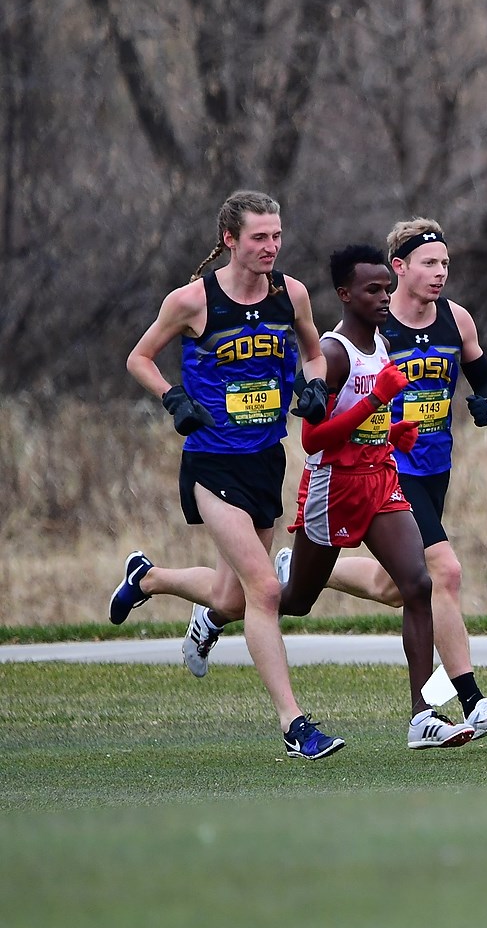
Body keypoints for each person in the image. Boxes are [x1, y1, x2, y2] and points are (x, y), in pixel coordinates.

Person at [267, 219, 487, 742]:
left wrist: (395, 430)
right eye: (374, 288)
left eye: (385, 288)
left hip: (389, 473)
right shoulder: (336, 352)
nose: (383, 297)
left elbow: (476, 380)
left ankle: (420, 717)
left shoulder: (398, 340)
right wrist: (380, 401)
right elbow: (314, 441)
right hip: (333, 487)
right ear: (345, 294)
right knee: (292, 601)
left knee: (416, 584)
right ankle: (221, 601)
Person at [116, 190, 345, 760]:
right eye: (259, 237)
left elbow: (314, 354)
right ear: (230, 240)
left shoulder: (291, 294)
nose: (271, 247)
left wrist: (313, 386)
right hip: (212, 461)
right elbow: (138, 358)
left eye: (277, 236)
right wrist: (174, 399)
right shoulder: (193, 301)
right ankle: (296, 726)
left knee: (231, 596)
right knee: (266, 589)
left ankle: (148, 579)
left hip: (266, 459)